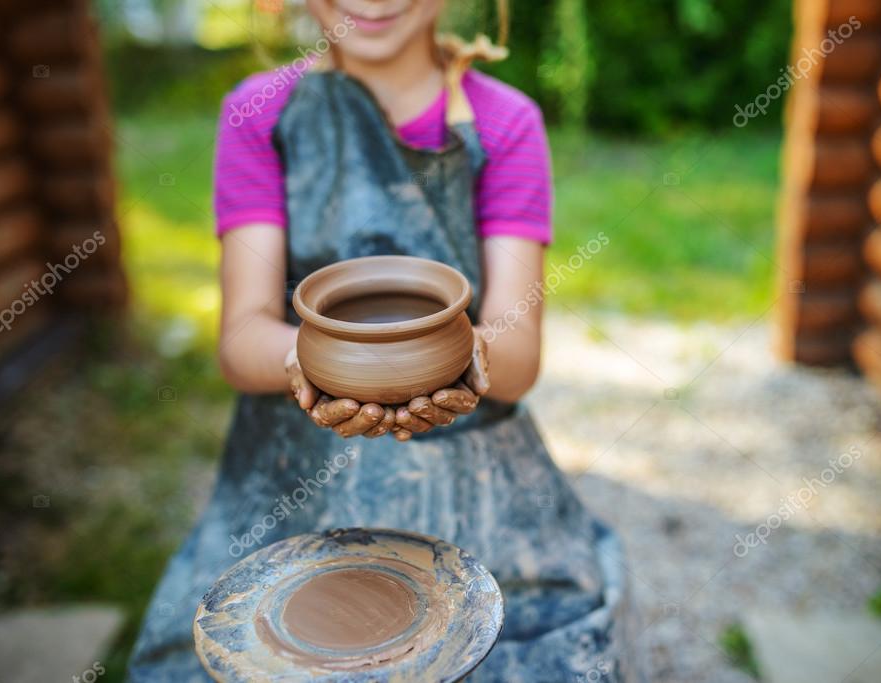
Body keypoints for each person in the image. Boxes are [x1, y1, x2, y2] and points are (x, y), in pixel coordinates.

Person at [128, 1, 631, 680]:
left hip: (470, 457)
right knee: (237, 646)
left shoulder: (503, 122)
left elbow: (516, 359)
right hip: (293, 461)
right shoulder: (261, 113)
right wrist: (308, 360)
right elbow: (241, 337)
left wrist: (463, 358)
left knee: (519, 647)